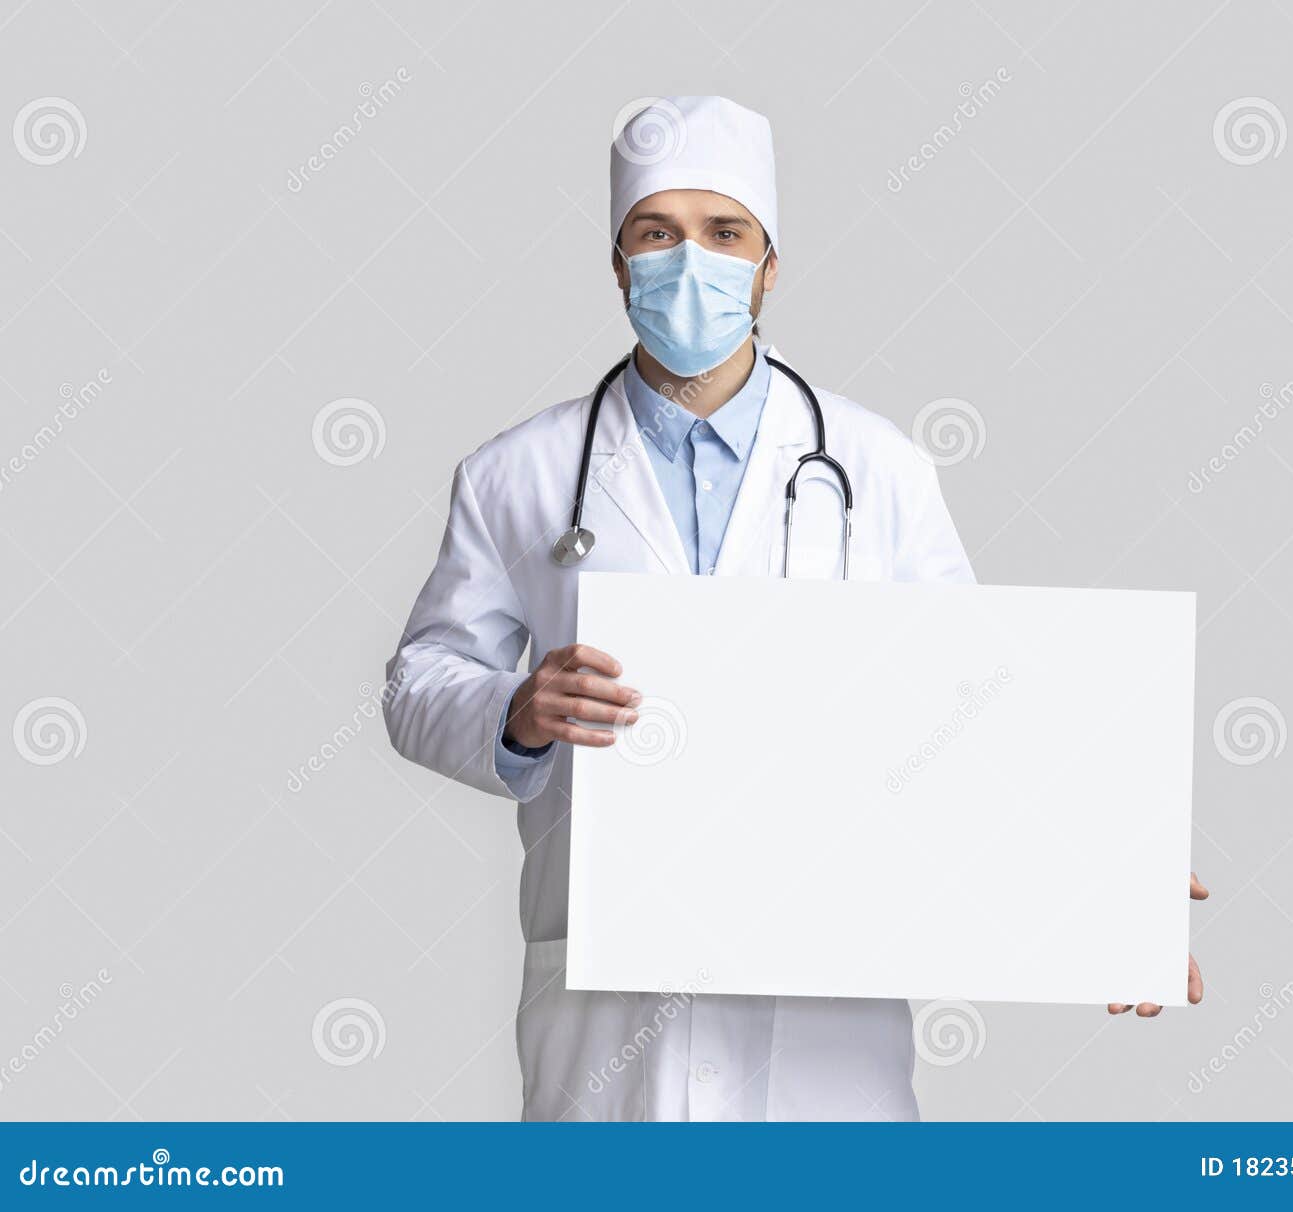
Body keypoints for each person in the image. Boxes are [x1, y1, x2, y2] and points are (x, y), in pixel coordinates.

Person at [384, 95, 1202, 1121]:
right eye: (656, 233)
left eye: (723, 233)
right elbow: (418, 681)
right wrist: (512, 710)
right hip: (608, 1024)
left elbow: (975, 715)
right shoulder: (517, 473)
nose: (690, 261)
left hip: (826, 1034)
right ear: (617, 263)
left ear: (770, 264)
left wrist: (1095, 885)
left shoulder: (879, 467)